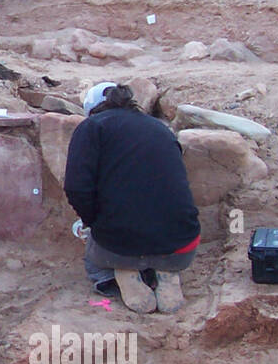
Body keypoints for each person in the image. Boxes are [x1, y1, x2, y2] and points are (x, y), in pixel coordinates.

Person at [64, 82, 200, 313]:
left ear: (92, 109)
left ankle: (122, 274)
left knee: (95, 261)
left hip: (119, 245)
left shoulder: (92, 128)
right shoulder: (160, 129)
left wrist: (91, 222)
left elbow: (76, 188)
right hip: (182, 244)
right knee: (157, 239)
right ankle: (166, 272)